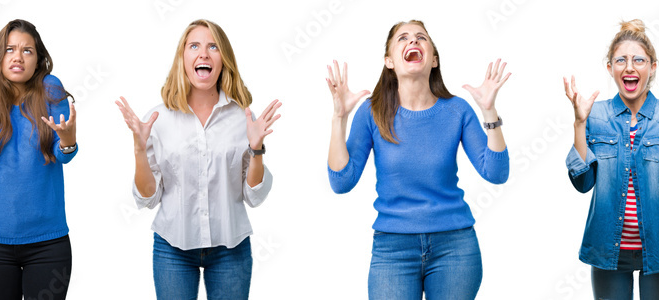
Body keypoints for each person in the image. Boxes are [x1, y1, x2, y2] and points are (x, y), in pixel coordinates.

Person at [325, 20, 510, 299]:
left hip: (455, 247)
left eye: (421, 37)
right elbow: (341, 181)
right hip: (392, 250)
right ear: (389, 61)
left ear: (433, 59)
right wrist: (339, 118)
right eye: (402, 38)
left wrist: (489, 112)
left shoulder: (457, 110)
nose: (412, 41)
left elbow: (496, 173)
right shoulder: (371, 113)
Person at [115, 19, 281, 299]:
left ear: (223, 59)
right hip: (172, 248)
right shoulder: (158, 119)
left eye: (212, 46)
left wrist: (256, 149)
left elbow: (253, 196)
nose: (203, 54)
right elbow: (147, 198)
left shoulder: (243, 118)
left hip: (231, 248)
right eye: (194, 46)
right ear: (183, 58)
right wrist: (139, 152)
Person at [563, 19, 659, 300]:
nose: (630, 66)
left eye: (639, 60)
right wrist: (578, 125)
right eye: (620, 60)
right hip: (608, 249)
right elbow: (583, 182)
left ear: (652, 67)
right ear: (610, 68)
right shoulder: (594, 115)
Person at [0, 19, 76, 300]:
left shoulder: (50, 88)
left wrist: (69, 139)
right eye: (10, 49)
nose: (18, 56)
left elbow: (63, 155)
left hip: (48, 243)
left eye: (27, 51)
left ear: (38, 60)